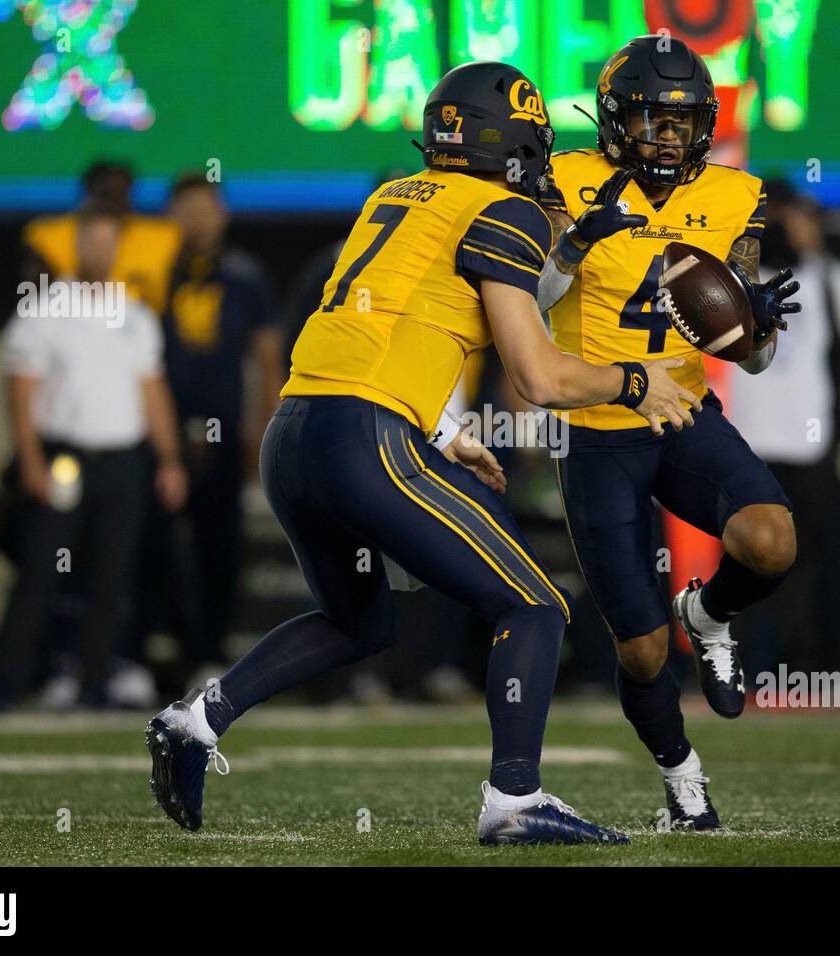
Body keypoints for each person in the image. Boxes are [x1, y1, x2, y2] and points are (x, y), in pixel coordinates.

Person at [145, 61, 699, 845]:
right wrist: (635, 380)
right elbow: (537, 376)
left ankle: (195, 719)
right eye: (535, 142)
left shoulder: (396, 197)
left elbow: (394, 325)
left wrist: (442, 434)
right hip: (364, 438)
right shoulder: (503, 210)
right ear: (509, 141)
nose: (543, 158)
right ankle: (514, 800)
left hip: (296, 434)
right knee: (535, 606)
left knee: (359, 622)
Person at [535, 35, 799, 830]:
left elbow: (752, 359)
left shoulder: (735, 198)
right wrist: (575, 242)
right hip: (597, 425)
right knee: (642, 650)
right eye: (653, 120)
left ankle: (710, 613)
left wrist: (755, 331)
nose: (668, 138)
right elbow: (531, 297)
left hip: (682, 412)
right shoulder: (565, 180)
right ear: (616, 120)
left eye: (683, 123)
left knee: (770, 540)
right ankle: (683, 783)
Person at [0, 206, 187, 708]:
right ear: (75, 246)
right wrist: (30, 462)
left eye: (108, 241)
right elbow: (20, 394)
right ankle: (8, 685)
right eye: (90, 241)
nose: (99, 251)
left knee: (113, 574)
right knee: (40, 569)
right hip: (65, 459)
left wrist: (169, 459)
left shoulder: (136, 314)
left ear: (119, 247)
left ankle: (93, 685)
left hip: (123, 460)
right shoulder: (43, 310)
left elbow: (152, 390)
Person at [729, 179, 840, 674]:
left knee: (813, 560)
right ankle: (744, 664)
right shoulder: (731, 277)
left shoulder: (833, 283)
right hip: (746, 441)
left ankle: (812, 661)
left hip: (813, 444)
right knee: (746, 559)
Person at [136, 172, 284, 678]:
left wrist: (262, 431)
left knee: (220, 543)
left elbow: (267, 361)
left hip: (222, 431)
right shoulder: (153, 274)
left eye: (206, 207)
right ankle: (158, 645)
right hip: (158, 432)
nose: (197, 219)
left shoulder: (246, 276)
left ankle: (210, 650)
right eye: (187, 208)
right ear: (169, 216)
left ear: (223, 214)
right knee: (152, 541)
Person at [22, 159, 182, 314]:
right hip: (66, 325)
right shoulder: (46, 236)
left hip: (140, 326)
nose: (110, 205)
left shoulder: (164, 237)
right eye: (105, 195)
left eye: (119, 195)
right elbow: (33, 300)